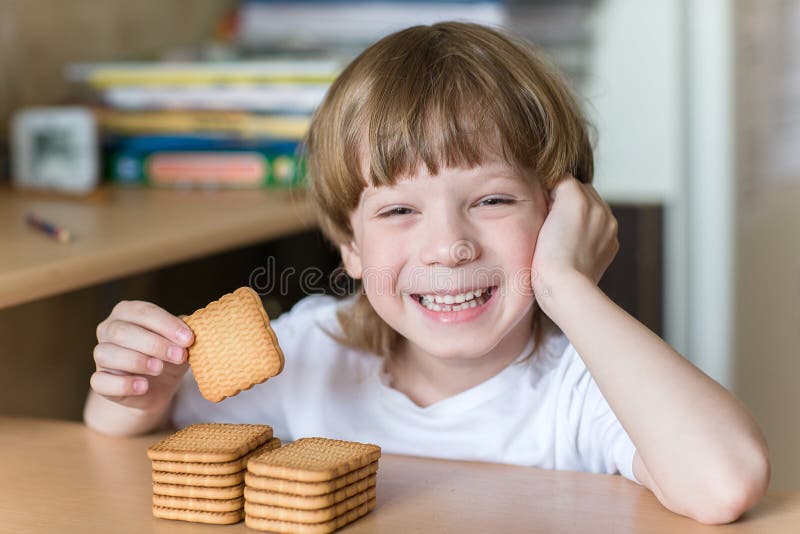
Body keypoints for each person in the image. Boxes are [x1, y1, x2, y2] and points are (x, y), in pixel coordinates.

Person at [83, 22, 769, 524]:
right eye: (399, 210)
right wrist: (136, 386)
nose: (448, 247)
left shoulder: (584, 391)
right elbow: (130, 442)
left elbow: (723, 482)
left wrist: (567, 285)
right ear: (350, 248)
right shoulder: (310, 353)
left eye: (493, 200)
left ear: (565, 215)